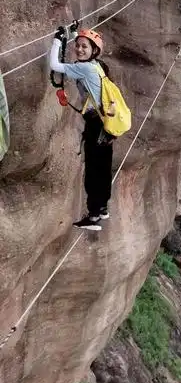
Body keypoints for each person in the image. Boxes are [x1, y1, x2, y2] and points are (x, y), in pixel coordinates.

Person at [50, 27, 113, 231]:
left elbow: (54, 65)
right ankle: (102, 208)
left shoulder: (85, 69)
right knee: (103, 168)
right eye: (77, 46)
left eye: (84, 47)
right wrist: (76, 35)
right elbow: (84, 49)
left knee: (93, 170)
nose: (78, 49)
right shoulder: (98, 65)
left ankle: (93, 216)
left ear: (94, 51)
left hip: (96, 124)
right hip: (107, 123)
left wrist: (58, 41)